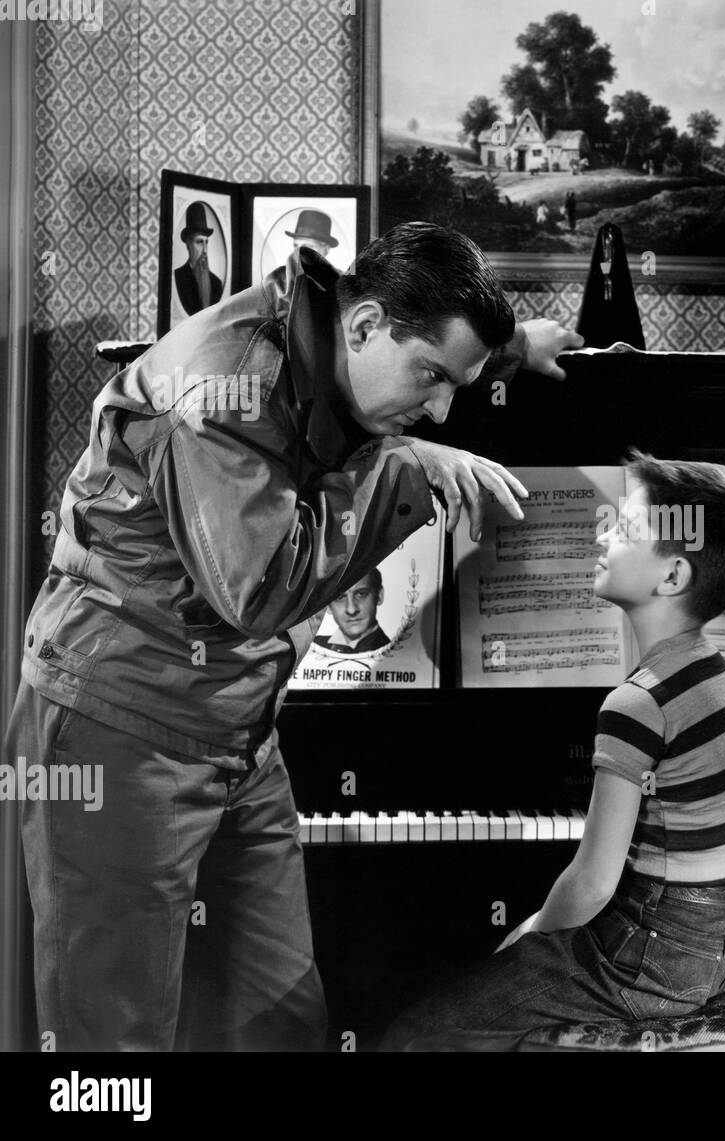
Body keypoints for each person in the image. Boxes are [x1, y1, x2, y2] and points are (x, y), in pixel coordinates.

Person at [5, 221, 582, 1051]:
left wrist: (513, 345)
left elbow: (413, 357)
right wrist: (403, 465)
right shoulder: (220, 387)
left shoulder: (351, 330)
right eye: (431, 377)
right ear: (364, 326)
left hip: (237, 728)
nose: (443, 408)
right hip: (116, 724)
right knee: (112, 1039)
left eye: (455, 382)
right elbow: (260, 587)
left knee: (277, 1023)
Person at [382, 452, 725, 1051]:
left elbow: (593, 883)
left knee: (419, 1032)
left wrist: (525, 937)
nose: (601, 533)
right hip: (721, 949)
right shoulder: (720, 678)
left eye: (624, 529)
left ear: (671, 577)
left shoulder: (638, 703)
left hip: (647, 967)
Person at [313, 567, 389, 654]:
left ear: (379, 596)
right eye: (340, 598)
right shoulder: (312, 647)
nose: (351, 610)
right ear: (328, 606)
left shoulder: (393, 649)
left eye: (361, 594)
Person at [173, 200, 224, 315]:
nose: (205, 250)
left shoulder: (216, 283)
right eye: (199, 242)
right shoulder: (177, 278)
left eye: (207, 242)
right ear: (188, 244)